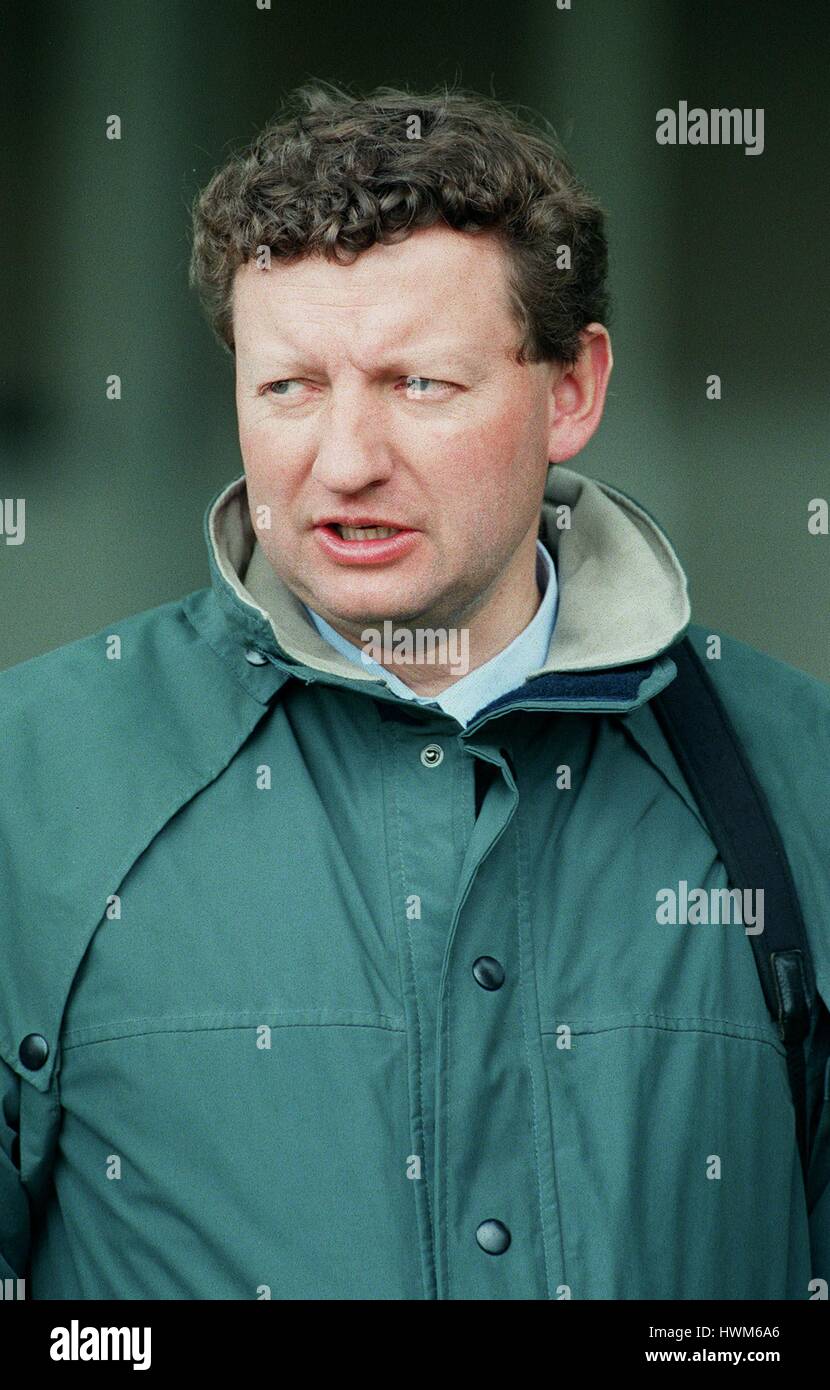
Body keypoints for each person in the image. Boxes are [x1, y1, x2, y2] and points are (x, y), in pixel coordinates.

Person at [1, 80, 828, 1302]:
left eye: (417, 384)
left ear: (569, 390)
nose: (343, 461)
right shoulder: (28, 782)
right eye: (288, 386)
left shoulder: (794, 772)